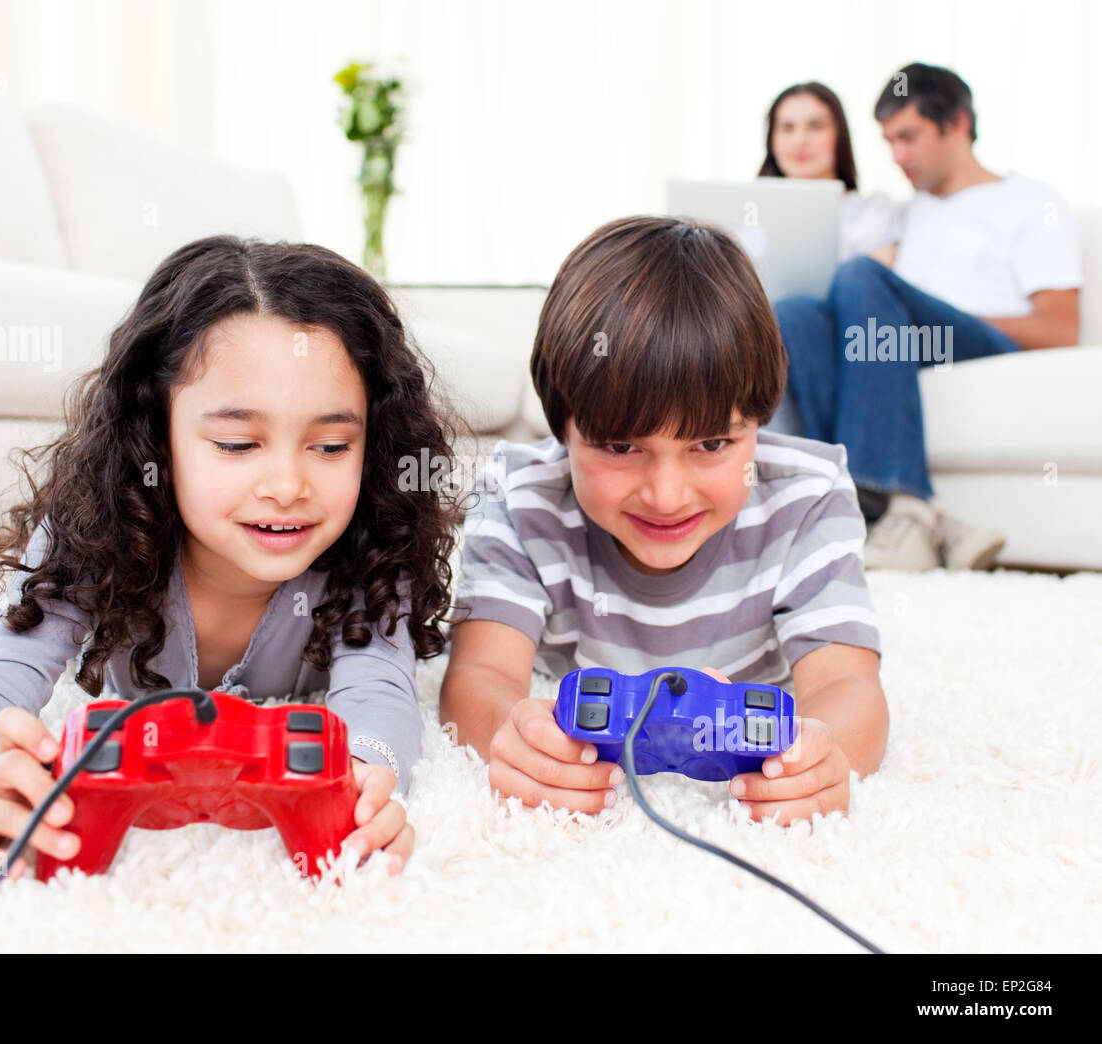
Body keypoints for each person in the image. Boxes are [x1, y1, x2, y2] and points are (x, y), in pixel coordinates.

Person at [0, 235, 467, 878]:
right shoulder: (99, 527)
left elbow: (379, 692)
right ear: (156, 433)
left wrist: (367, 771)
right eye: (235, 444)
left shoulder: (371, 541)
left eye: (332, 446)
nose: (287, 485)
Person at [440, 216, 888, 826]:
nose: (667, 495)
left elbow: (848, 685)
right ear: (562, 428)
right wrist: (511, 737)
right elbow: (480, 674)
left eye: (710, 445)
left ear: (759, 423)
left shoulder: (807, 494)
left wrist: (822, 755)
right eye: (621, 448)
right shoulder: (520, 496)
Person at [772, 63, 1082, 570]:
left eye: (910, 137)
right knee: (797, 314)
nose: (898, 157)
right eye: (889, 141)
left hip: (978, 341)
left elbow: (1059, 328)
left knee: (859, 276)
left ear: (957, 124)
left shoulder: (1028, 201)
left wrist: (924, 314)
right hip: (904, 348)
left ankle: (895, 496)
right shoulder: (906, 214)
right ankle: (893, 509)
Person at [759, 80, 900, 261]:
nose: (800, 140)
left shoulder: (874, 212)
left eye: (816, 126)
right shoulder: (750, 213)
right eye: (787, 128)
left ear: (839, 136)